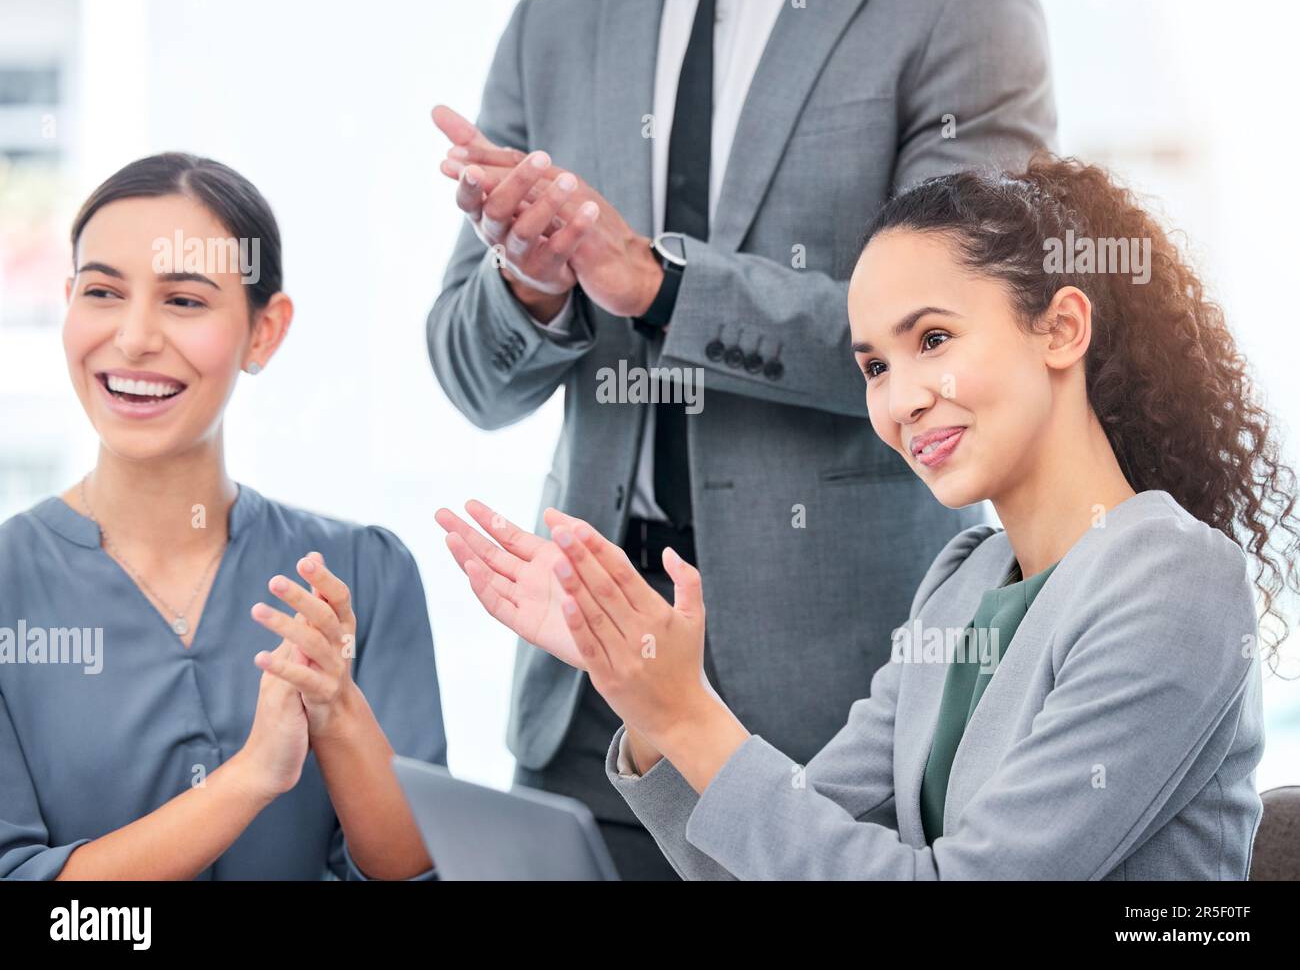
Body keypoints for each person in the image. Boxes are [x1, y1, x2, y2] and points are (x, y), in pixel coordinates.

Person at [441, 154, 1296, 879]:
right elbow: (753, 857)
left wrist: (690, 712)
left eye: (932, 340)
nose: (901, 401)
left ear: (1062, 327)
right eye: (875, 366)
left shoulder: (1173, 581)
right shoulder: (961, 585)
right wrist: (646, 687)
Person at [427, 0, 1055, 877]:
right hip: (586, 692)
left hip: (837, 713)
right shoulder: (552, 25)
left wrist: (659, 283)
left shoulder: (957, 5)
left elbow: (957, 339)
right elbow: (471, 378)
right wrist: (534, 285)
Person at [0, 153, 445, 880]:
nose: (136, 337)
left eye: (184, 301)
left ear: (265, 331)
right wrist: (250, 778)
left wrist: (337, 713)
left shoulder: (362, 572)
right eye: (103, 291)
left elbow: (416, 872)